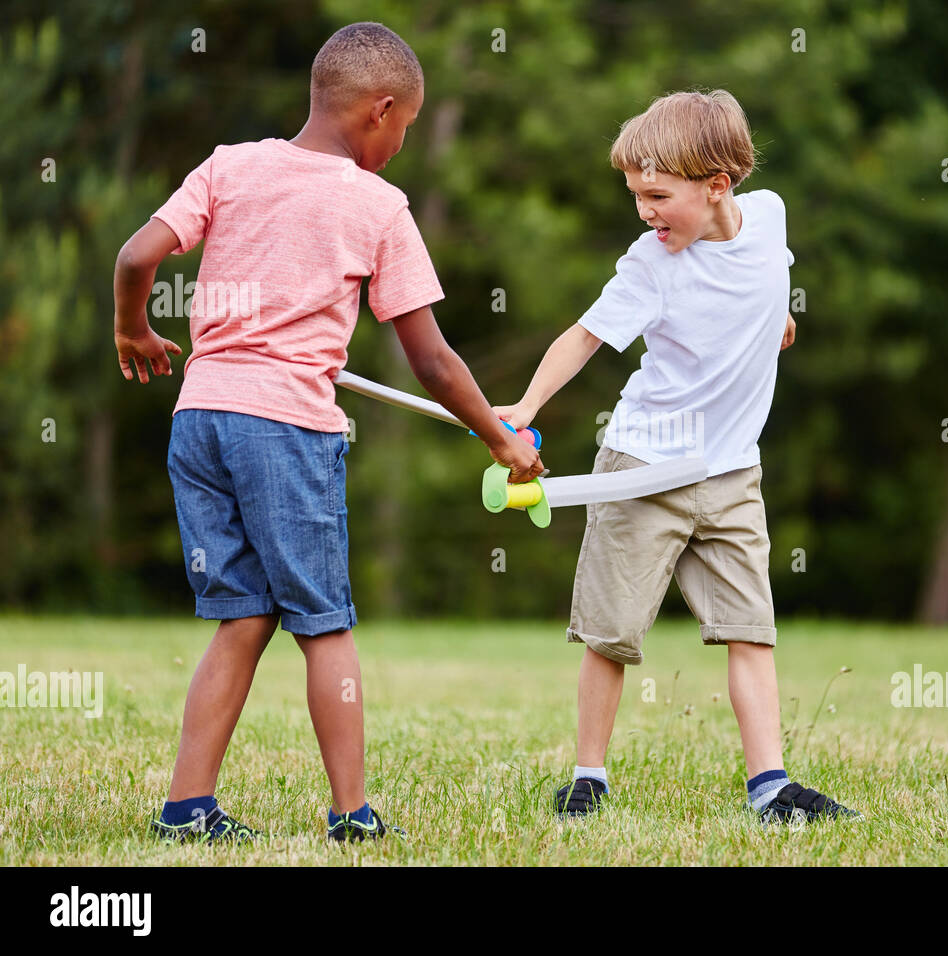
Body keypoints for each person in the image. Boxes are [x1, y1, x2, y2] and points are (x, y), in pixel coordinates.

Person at [112, 22, 542, 844]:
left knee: (242, 615)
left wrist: (135, 328)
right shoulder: (378, 205)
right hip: (284, 426)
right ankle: (353, 816)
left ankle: (186, 808)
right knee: (326, 621)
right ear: (380, 111)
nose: (403, 145)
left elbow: (137, 256)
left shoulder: (229, 164)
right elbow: (433, 360)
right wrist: (500, 438)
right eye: (406, 127)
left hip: (200, 417)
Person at [493, 90, 858, 824]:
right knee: (611, 631)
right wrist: (524, 409)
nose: (645, 213)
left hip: (730, 473)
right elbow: (585, 337)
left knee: (750, 629)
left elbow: (765, 275)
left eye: (658, 195)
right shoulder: (650, 264)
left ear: (718, 186)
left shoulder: (771, 216)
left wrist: (773, 319)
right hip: (643, 468)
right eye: (636, 195)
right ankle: (588, 777)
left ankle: (772, 788)